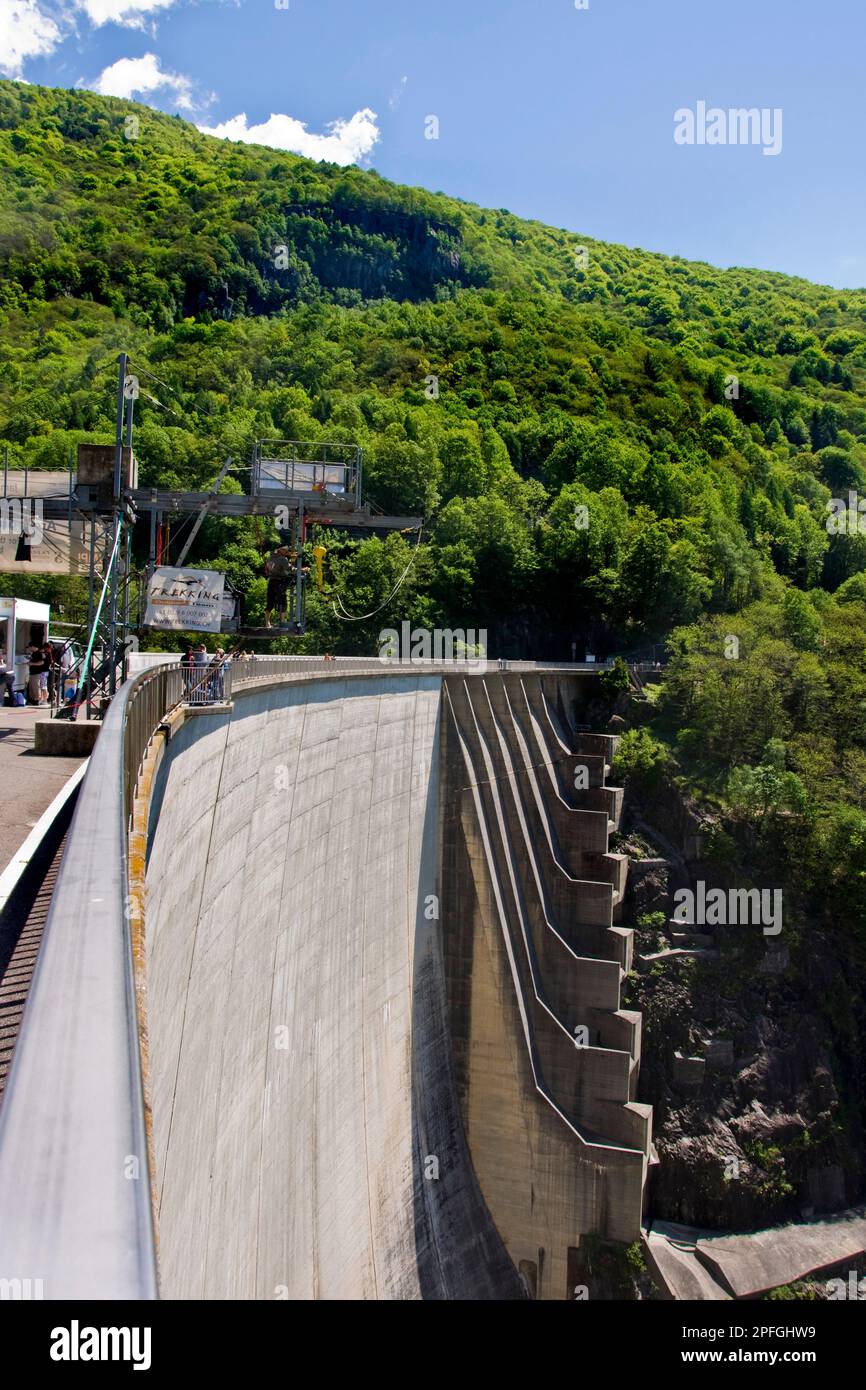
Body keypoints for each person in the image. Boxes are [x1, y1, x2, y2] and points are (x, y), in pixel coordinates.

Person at [264, 546, 292, 628]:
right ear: (281, 550)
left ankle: (267, 623)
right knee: (283, 601)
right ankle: (283, 622)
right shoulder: (283, 559)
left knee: (270, 602)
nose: (286, 551)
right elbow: (289, 569)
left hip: (271, 581)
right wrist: (301, 569)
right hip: (280, 582)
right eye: (285, 550)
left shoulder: (270, 558)